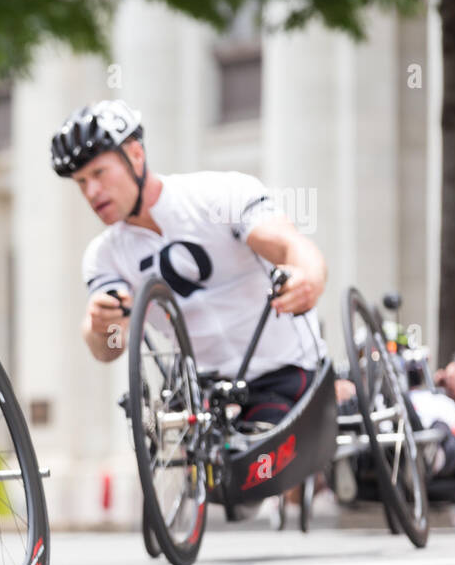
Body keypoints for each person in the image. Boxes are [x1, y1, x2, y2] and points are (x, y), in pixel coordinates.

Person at [54, 99, 329, 427]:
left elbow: (289, 245)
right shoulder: (104, 256)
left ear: (136, 155)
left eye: (99, 173)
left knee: (264, 474)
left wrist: (308, 278)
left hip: (283, 368)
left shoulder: (217, 195)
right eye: (81, 182)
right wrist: (100, 327)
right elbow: (109, 348)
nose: (91, 191)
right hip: (203, 392)